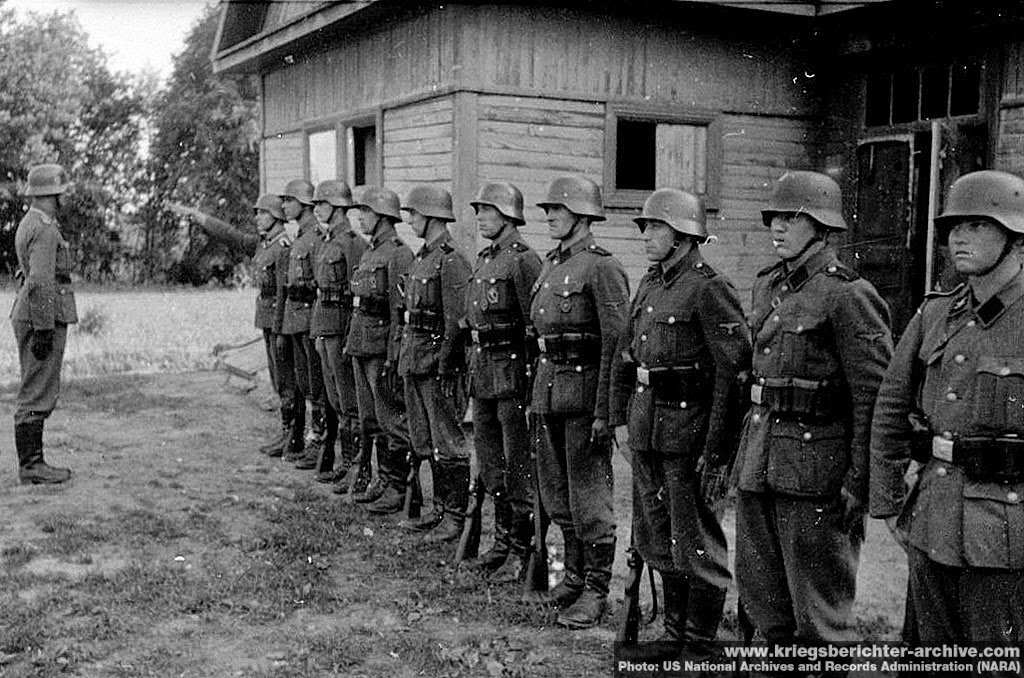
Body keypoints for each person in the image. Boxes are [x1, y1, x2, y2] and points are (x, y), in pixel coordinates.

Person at [732, 170, 893, 644]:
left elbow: (873, 398)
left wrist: (859, 482)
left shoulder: (848, 294)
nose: (777, 227)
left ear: (821, 228)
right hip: (760, 461)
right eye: (774, 218)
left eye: (792, 218)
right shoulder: (768, 285)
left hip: (816, 473)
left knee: (820, 615)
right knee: (765, 601)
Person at [870, 169, 1024, 646]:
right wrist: (889, 501)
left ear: (1015, 236)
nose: (959, 237)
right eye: (954, 227)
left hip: (1006, 535)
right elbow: (892, 404)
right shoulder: (936, 313)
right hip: (931, 519)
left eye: (977, 225)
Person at [610, 188, 751, 658]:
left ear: (684, 235)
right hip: (648, 430)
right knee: (657, 537)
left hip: (689, 437)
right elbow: (625, 358)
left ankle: (699, 644)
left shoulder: (710, 287)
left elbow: (731, 376)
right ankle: (674, 635)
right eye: (646, 227)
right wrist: (619, 419)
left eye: (656, 227)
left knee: (695, 544)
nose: (646, 236)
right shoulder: (650, 284)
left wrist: (716, 454)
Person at [529, 175, 629, 628]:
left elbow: (616, 344)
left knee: (590, 498)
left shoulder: (601, 268)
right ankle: (570, 578)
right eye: (549, 209)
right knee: (557, 492)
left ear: (583, 214)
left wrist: (607, 412)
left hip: (585, 397)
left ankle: (595, 590)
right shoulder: (553, 265)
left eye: (559, 209)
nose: (550, 215)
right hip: (550, 392)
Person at [463, 182, 544, 580]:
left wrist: (531, 384)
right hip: (484, 374)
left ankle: (521, 549)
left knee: (517, 466)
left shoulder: (523, 260)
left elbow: (535, 327)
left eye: (487, 211)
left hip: (513, 374)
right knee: (491, 463)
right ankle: (501, 542)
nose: (480, 218)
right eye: (478, 211)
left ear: (508, 215)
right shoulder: (485, 259)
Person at [171, 195, 292, 456]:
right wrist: (198, 216)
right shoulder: (262, 243)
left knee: (287, 379)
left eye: (262, 213)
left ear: (276, 216)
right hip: (268, 318)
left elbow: (285, 290)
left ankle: (293, 437)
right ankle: (287, 433)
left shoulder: (283, 246)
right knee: (277, 379)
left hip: (281, 319)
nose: (257, 217)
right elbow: (230, 234)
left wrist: (282, 326)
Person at [397, 185, 473, 540]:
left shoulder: (451, 258)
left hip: (438, 365)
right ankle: (441, 510)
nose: (410, 219)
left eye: (413, 213)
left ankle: (455, 518)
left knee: (449, 442)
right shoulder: (422, 257)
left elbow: (456, 320)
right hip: (416, 360)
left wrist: (445, 366)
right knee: (425, 440)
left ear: (430, 215)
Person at [344, 186, 414, 514]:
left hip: (381, 348)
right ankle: (385, 481)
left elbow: (400, 313)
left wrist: (393, 355)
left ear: (383, 216)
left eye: (366, 212)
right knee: (371, 418)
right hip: (361, 343)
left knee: (390, 418)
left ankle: (398, 487)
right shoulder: (371, 252)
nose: (360, 217)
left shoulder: (398, 253)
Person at [10, 163, 77, 484]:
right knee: (37, 389)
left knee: (35, 385)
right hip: (42, 315)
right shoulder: (46, 229)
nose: (65, 197)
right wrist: (44, 329)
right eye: (62, 192)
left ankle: (32, 463)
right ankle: (31, 465)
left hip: (34, 312)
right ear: (53, 194)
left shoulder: (31, 222)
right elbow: (40, 281)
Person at [308, 180, 367, 483]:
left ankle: (356, 465)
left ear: (338, 207)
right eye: (316, 204)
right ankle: (346, 461)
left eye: (322, 204)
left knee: (348, 397)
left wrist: (350, 334)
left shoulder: (352, 242)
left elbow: (358, 293)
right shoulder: (327, 240)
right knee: (335, 397)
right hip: (324, 323)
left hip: (342, 324)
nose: (317, 208)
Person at [278, 179, 330, 468]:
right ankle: (312, 439)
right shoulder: (299, 237)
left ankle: (319, 441)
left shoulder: (317, 238)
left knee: (318, 387)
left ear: (304, 203)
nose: (284, 205)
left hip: (311, 321)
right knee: (306, 384)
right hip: (297, 321)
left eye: (289, 200)